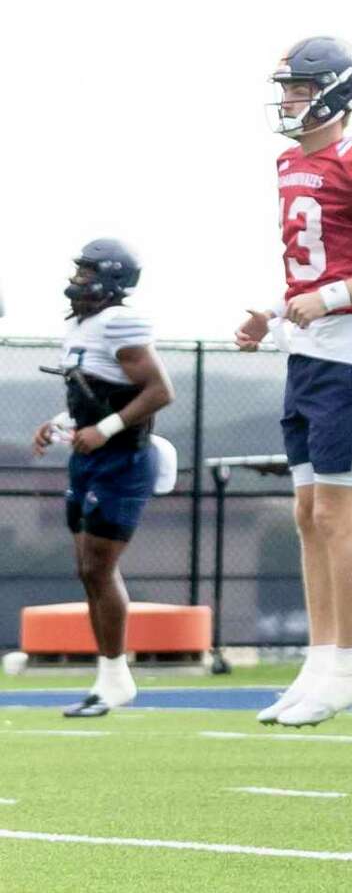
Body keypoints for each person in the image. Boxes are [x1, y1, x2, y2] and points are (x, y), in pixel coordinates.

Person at [237, 38, 352, 727]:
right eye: (286, 86)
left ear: (336, 92)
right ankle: (321, 661)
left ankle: (349, 661)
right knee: (307, 514)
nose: (287, 98)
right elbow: (315, 269)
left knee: (336, 515)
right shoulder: (292, 162)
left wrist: (334, 297)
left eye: (299, 86)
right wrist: (274, 314)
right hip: (313, 351)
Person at [32, 240, 174, 718]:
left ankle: (115, 676)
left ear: (112, 279)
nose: (78, 280)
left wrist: (106, 430)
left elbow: (158, 391)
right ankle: (110, 675)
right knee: (88, 569)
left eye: (88, 272)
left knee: (97, 567)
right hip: (90, 456)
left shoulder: (120, 322)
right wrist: (61, 423)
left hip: (123, 460)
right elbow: (91, 392)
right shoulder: (82, 325)